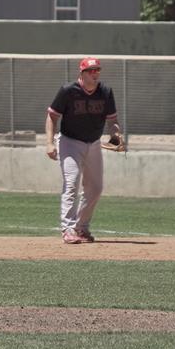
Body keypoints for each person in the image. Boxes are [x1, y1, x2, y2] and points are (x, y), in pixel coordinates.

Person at [44, 57, 121, 244]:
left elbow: (112, 121)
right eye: (91, 70)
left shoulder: (105, 92)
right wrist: (49, 143)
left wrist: (116, 136)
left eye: (97, 70)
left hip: (93, 143)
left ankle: (81, 228)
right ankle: (68, 229)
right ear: (82, 73)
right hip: (70, 142)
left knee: (95, 188)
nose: (95, 74)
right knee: (71, 183)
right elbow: (52, 116)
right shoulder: (68, 91)